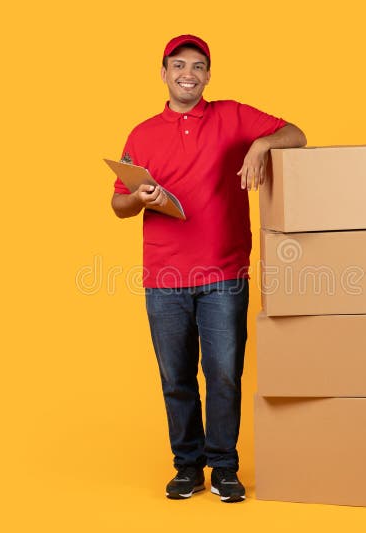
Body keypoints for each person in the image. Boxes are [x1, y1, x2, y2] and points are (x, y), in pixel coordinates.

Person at [111, 34, 306, 503]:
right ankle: (187, 466)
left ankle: (223, 466)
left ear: (208, 75)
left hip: (224, 273)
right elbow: (119, 203)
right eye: (179, 65)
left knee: (223, 372)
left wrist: (260, 145)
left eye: (198, 67)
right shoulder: (141, 134)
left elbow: (296, 134)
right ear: (164, 73)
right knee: (175, 376)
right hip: (165, 277)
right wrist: (139, 197)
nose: (188, 74)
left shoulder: (232, 116)